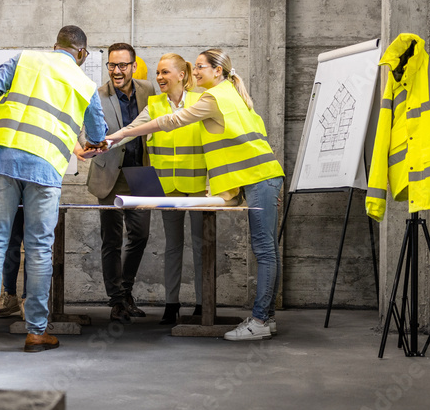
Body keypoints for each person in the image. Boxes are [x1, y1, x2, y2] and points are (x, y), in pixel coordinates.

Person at [105, 48, 284, 341]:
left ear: (218, 70)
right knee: (268, 250)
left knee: (264, 251)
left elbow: (171, 121)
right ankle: (268, 318)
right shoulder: (228, 93)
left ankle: (261, 320)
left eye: (200, 66)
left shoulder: (212, 98)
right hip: (259, 178)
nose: (195, 71)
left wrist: (122, 134)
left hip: (259, 178)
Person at [0, 25, 108, 354]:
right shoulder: (84, 84)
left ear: (55, 46)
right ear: (82, 53)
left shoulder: (24, 60)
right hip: (44, 170)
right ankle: (35, 333)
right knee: (39, 250)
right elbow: (97, 135)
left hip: (2, 160)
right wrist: (90, 143)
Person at [114, 53, 205, 325]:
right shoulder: (154, 105)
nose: (159, 77)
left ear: (181, 75)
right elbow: (131, 130)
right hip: (168, 190)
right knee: (173, 247)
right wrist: (102, 144)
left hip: (199, 188)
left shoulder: (201, 101)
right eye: (157, 72)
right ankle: (171, 304)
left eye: (165, 72)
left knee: (201, 246)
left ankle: (203, 304)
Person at [84, 42, 159, 323]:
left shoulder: (149, 89)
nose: (117, 71)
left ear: (133, 66)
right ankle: (117, 300)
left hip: (142, 173)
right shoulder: (96, 94)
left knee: (140, 236)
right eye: (112, 65)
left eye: (123, 65)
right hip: (109, 174)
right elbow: (84, 130)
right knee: (112, 240)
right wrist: (88, 145)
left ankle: (126, 292)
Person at [0, 206, 26, 319]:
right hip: (12, 200)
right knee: (11, 244)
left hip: (35, 198)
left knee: (33, 247)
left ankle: (28, 300)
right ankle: (10, 295)